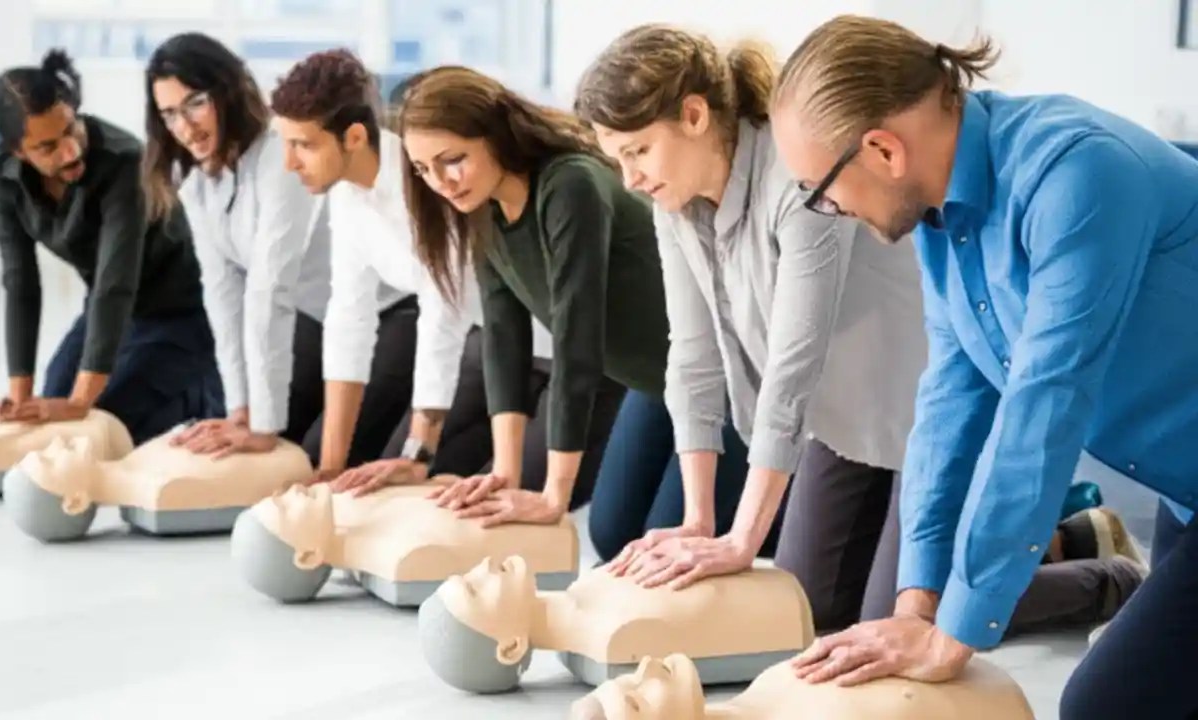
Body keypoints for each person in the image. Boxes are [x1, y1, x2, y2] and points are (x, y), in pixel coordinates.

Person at [572, 23, 1146, 635]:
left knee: (898, 617)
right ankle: (1059, 536)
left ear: (692, 115)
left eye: (637, 151)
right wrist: (697, 520)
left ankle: (1109, 579)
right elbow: (691, 354)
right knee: (808, 608)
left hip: (922, 405)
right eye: (617, 159)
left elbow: (796, 363)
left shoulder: (794, 174)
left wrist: (741, 539)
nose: (628, 177)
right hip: (845, 418)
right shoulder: (672, 200)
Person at [768, 15, 1197, 719]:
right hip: (1185, 482)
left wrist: (957, 633)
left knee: (1107, 705)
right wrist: (919, 599)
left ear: (881, 149)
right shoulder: (945, 221)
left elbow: (1044, 408)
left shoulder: (1077, 173)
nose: (830, 208)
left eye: (819, 188)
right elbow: (949, 406)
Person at [267, 48, 554, 492]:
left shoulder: (432, 175)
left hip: (545, 345)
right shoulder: (346, 197)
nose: (289, 162)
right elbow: (349, 320)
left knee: (462, 488)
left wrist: (419, 449)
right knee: (395, 484)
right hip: (487, 346)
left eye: (304, 145)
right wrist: (330, 469)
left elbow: (443, 312)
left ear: (355, 138)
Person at [399, 66, 665, 529]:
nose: (440, 181)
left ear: (495, 135)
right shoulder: (480, 206)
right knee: (613, 533)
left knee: (660, 533)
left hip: (711, 380)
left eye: (452, 159)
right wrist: (506, 473)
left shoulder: (569, 185)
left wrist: (552, 497)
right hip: (650, 386)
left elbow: (576, 341)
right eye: (424, 169)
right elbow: (504, 338)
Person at [0, 49, 222, 445]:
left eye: (71, 129)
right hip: (111, 310)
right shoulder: (1, 174)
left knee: (102, 421)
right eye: (48, 147)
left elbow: (115, 281)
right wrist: (18, 402)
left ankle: (204, 392)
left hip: (184, 312)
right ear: (17, 151)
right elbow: (20, 281)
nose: (71, 150)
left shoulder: (123, 162)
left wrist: (80, 403)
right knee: (54, 410)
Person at [142, 33, 331, 458]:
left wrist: (263, 425)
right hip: (291, 325)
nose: (185, 127)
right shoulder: (197, 188)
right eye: (169, 114)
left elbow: (270, 288)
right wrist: (240, 410)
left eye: (195, 103)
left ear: (227, 91)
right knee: (222, 422)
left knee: (298, 446)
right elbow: (224, 299)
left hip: (336, 320)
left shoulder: (279, 154)